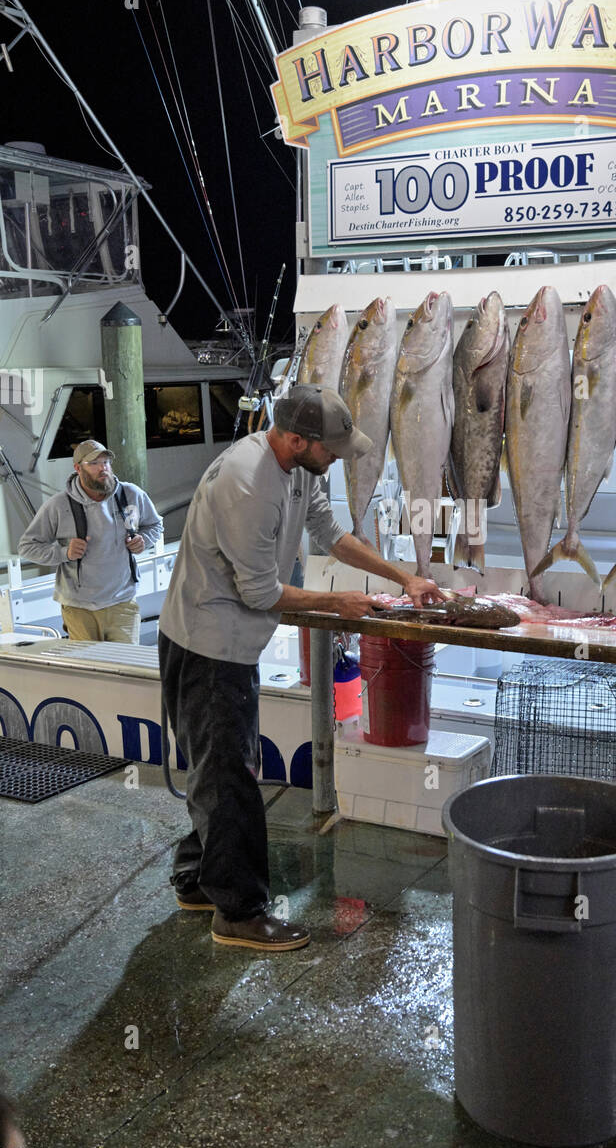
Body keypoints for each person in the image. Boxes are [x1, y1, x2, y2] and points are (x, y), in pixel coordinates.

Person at [158, 383, 444, 953]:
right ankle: (238, 913)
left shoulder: (300, 468)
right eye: (332, 448)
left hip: (230, 644)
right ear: (295, 438)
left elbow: (331, 535)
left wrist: (403, 577)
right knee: (230, 777)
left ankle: (197, 881)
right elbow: (260, 591)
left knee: (220, 769)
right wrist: (338, 605)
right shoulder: (249, 484)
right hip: (207, 647)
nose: (338, 457)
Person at [18, 440, 162, 644]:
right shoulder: (58, 505)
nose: (103, 468)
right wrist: (64, 553)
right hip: (79, 608)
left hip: (122, 603)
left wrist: (143, 540)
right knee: (89, 671)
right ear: (78, 468)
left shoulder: (131, 494)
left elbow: (156, 525)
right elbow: (27, 546)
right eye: (94, 463)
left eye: (106, 462)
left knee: (127, 669)